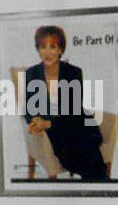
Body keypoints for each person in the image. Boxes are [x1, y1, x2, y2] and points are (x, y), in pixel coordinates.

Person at [23, 25, 108, 181]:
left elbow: (74, 111)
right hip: (56, 133)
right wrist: (35, 120)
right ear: (38, 49)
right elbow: (29, 108)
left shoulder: (74, 72)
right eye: (43, 47)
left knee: (86, 146)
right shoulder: (32, 73)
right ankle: (98, 182)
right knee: (80, 154)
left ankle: (99, 183)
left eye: (53, 47)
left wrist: (47, 123)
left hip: (74, 124)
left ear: (61, 49)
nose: (47, 52)